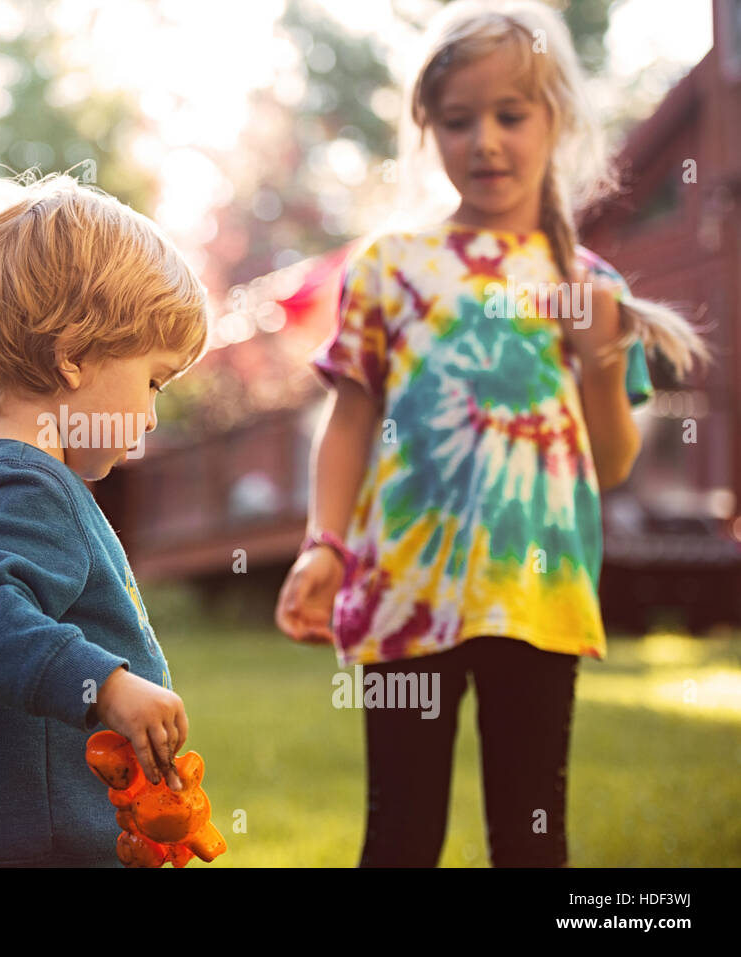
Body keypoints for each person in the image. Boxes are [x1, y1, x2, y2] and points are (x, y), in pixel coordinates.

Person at [275, 0, 710, 867]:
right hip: (404, 587)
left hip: (536, 596)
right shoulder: (390, 268)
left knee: (531, 835)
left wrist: (596, 359)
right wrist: (325, 542)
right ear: (427, 128)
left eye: (511, 115)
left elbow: (613, 462)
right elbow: (350, 420)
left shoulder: (590, 284)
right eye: (458, 119)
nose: (486, 141)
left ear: (557, 119)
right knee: (398, 833)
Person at [0, 171, 209, 866]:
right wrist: (104, 684)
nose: (155, 413)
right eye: (154, 379)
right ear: (73, 356)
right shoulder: (25, 483)